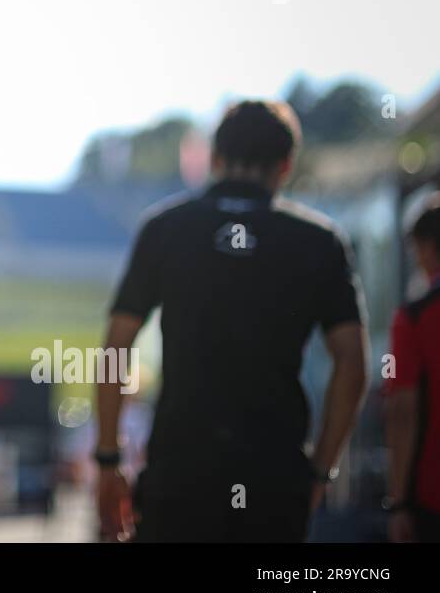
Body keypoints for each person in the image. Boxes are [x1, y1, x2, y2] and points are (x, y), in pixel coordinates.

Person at [95, 100, 367, 542]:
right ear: (286, 165)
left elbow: (115, 347)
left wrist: (108, 459)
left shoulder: (164, 228)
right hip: (274, 481)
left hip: (179, 476)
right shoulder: (321, 242)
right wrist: (320, 471)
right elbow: (352, 364)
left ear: (216, 159)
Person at [385, 193, 440, 542]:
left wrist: (398, 502)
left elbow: (401, 410)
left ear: (427, 247)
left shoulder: (413, 319)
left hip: (430, 493)